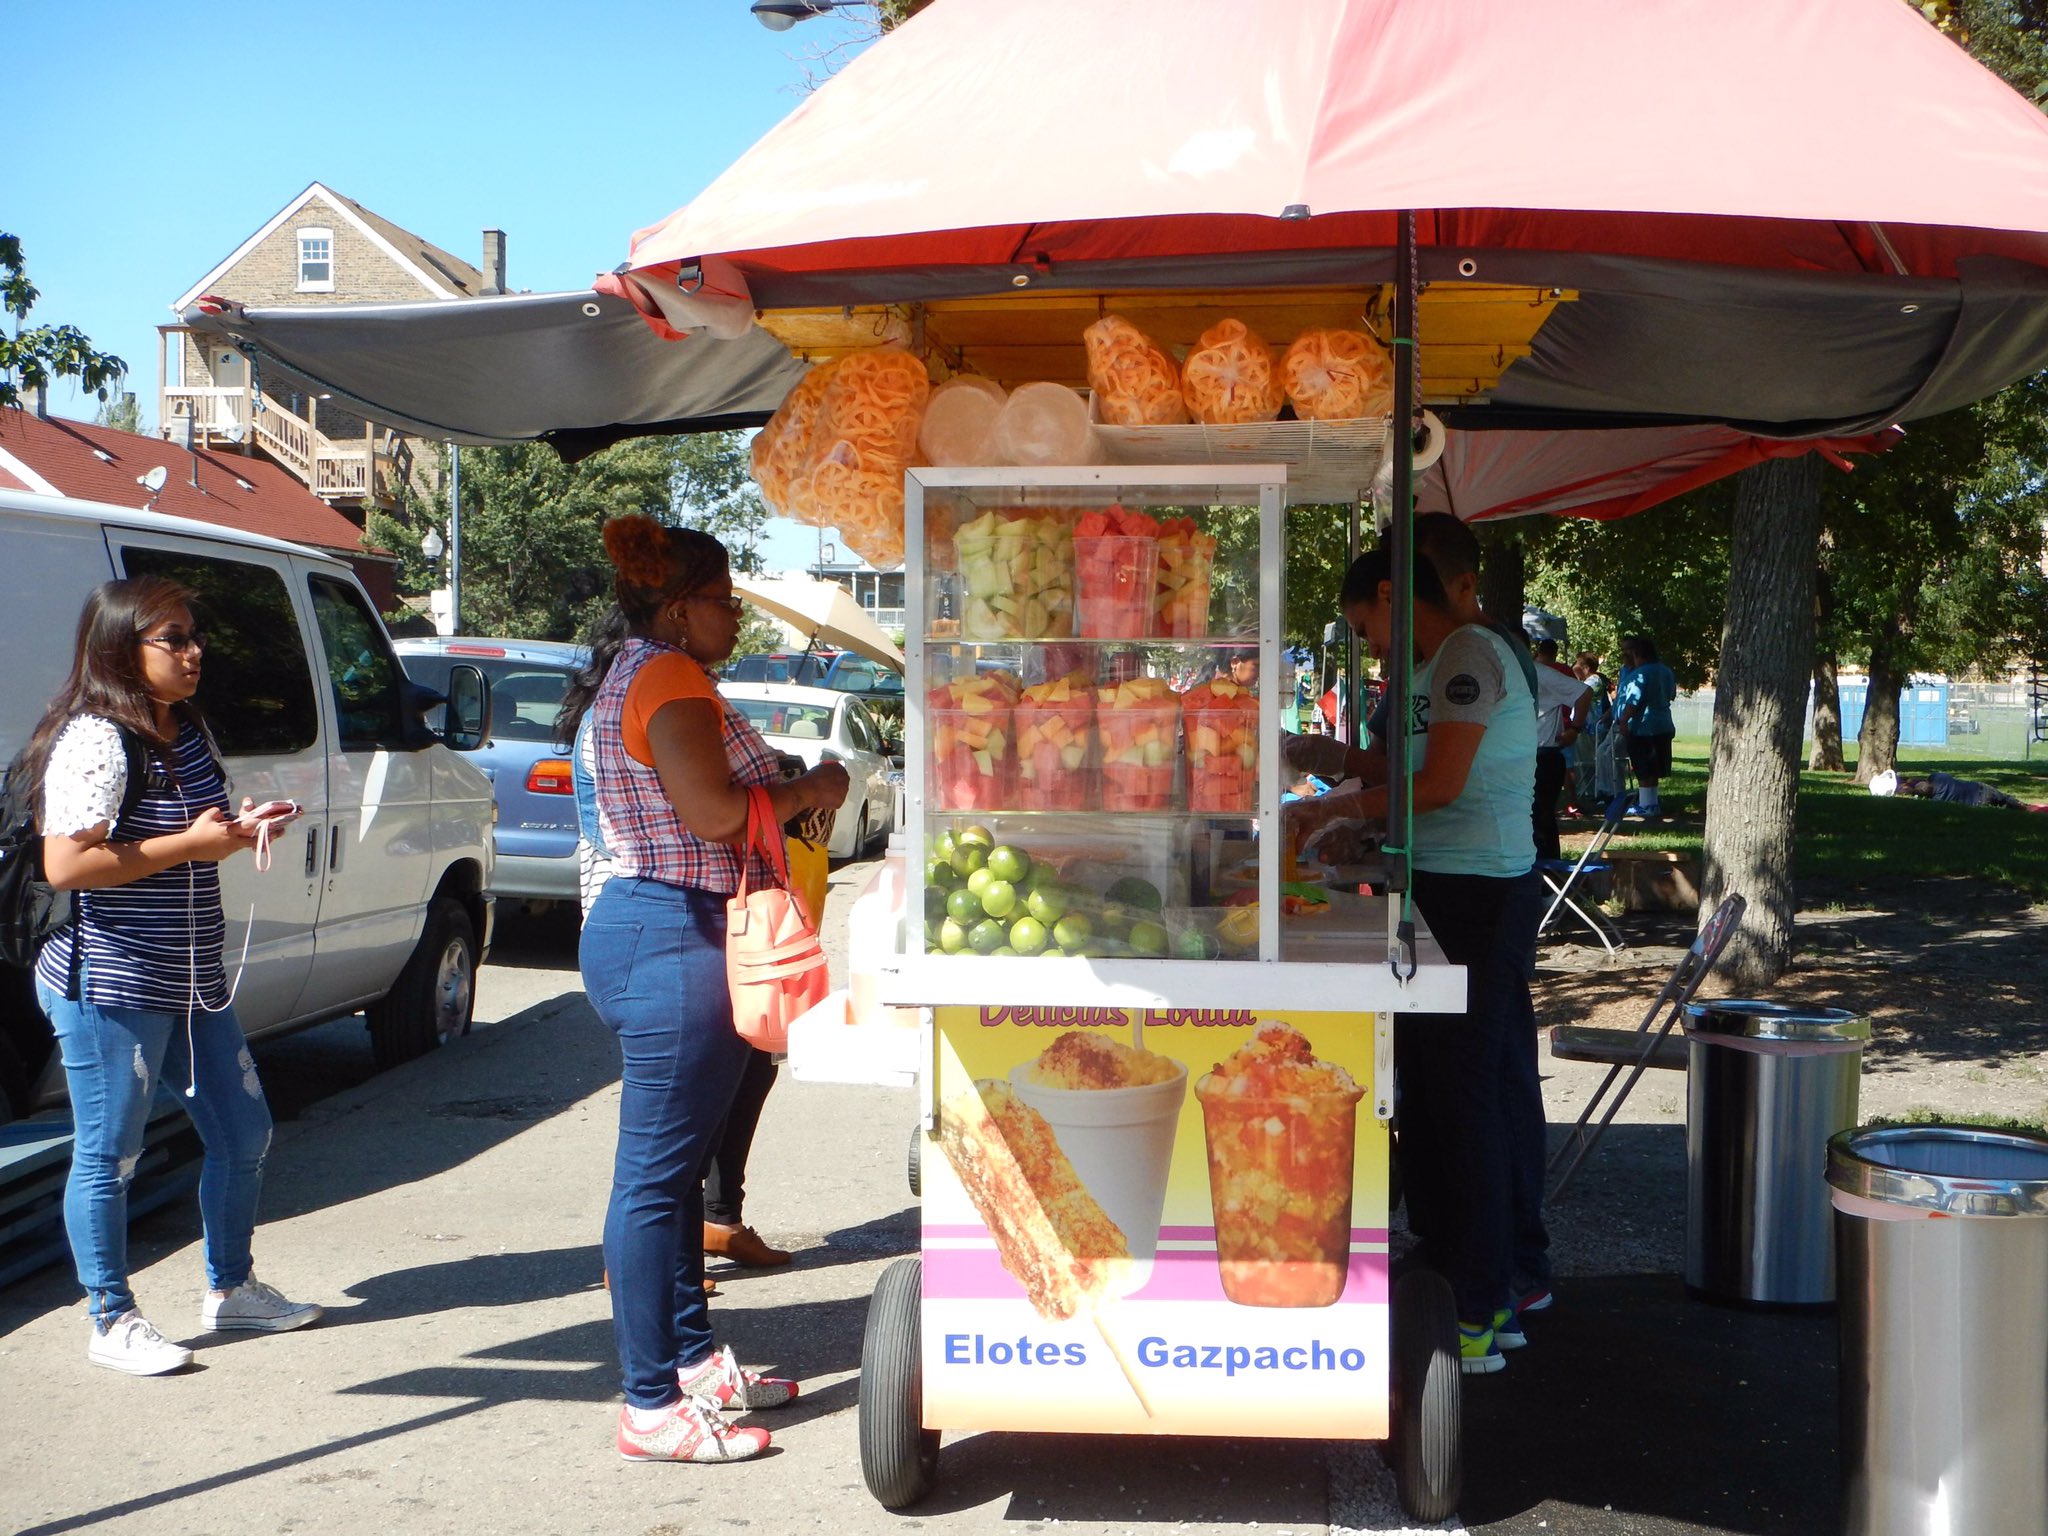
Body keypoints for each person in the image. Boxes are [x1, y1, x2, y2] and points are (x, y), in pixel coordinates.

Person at [558, 515, 848, 1464]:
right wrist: (814, 790)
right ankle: (650, 1404)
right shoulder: (670, 676)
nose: (735, 620)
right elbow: (718, 812)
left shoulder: (638, 671)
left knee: (676, 1175)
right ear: (681, 607)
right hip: (670, 931)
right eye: (725, 602)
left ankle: (689, 1362)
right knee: (653, 1181)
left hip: (659, 927)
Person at [19, 576, 322, 1376]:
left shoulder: (185, 727)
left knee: (245, 1130)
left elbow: (194, 828)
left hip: (191, 978)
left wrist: (236, 827)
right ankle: (110, 1317)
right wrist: (190, 846)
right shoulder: (95, 739)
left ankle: (232, 1290)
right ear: (124, 647)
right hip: (110, 983)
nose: (195, 653)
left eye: (195, 637)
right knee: (110, 1152)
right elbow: (68, 863)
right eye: (174, 639)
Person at [1286, 545, 1549, 1376]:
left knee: (1467, 1098)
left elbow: (1439, 786)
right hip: (1441, 884)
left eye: (1367, 630)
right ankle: (1465, 1281)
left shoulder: (1470, 653)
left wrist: (1337, 805)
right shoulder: (1439, 663)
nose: (1370, 650)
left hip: (1481, 897)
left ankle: (1478, 1303)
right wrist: (1338, 768)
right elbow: (1413, 770)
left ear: (1394, 596)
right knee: (1436, 1093)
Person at [1529, 638, 1589, 861]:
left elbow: (1583, 693)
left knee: (1541, 819)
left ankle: (1547, 880)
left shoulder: (1543, 673)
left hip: (1544, 752)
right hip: (1522, 757)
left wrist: (1575, 728)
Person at [1614, 634, 1678, 820]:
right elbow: (1671, 694)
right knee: (1655, 767)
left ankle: (1645, 805)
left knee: (1642, 767)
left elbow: (1634, 701)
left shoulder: (1640, 674)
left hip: (1643, 728)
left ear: (1637, 654)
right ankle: (1652, 803)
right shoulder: (1666, 671)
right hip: (1663, 724)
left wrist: (1624, 720)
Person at [1869, 768, 2047, 811]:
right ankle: (2025, 807)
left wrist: (1907, 788)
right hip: (1981, 789)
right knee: (2005, 799)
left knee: (2003, 806)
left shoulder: (1936, 801)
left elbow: (1920, 788)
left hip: (1977, 802)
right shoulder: (1939, 778)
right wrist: (1908, 781)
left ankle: (2023, 808)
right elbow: (1920, 781)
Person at [1571, 652, 1612, 812]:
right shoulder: (1590, 681)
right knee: (1584, 760)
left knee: (1588, 761)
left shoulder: (1593, 681)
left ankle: (1592, 791)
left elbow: (1577, 695)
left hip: (1591, 728)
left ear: (1586, 667)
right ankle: (1588, 790)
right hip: (1587, 727)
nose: (1574, 666)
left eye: (1577, 663)